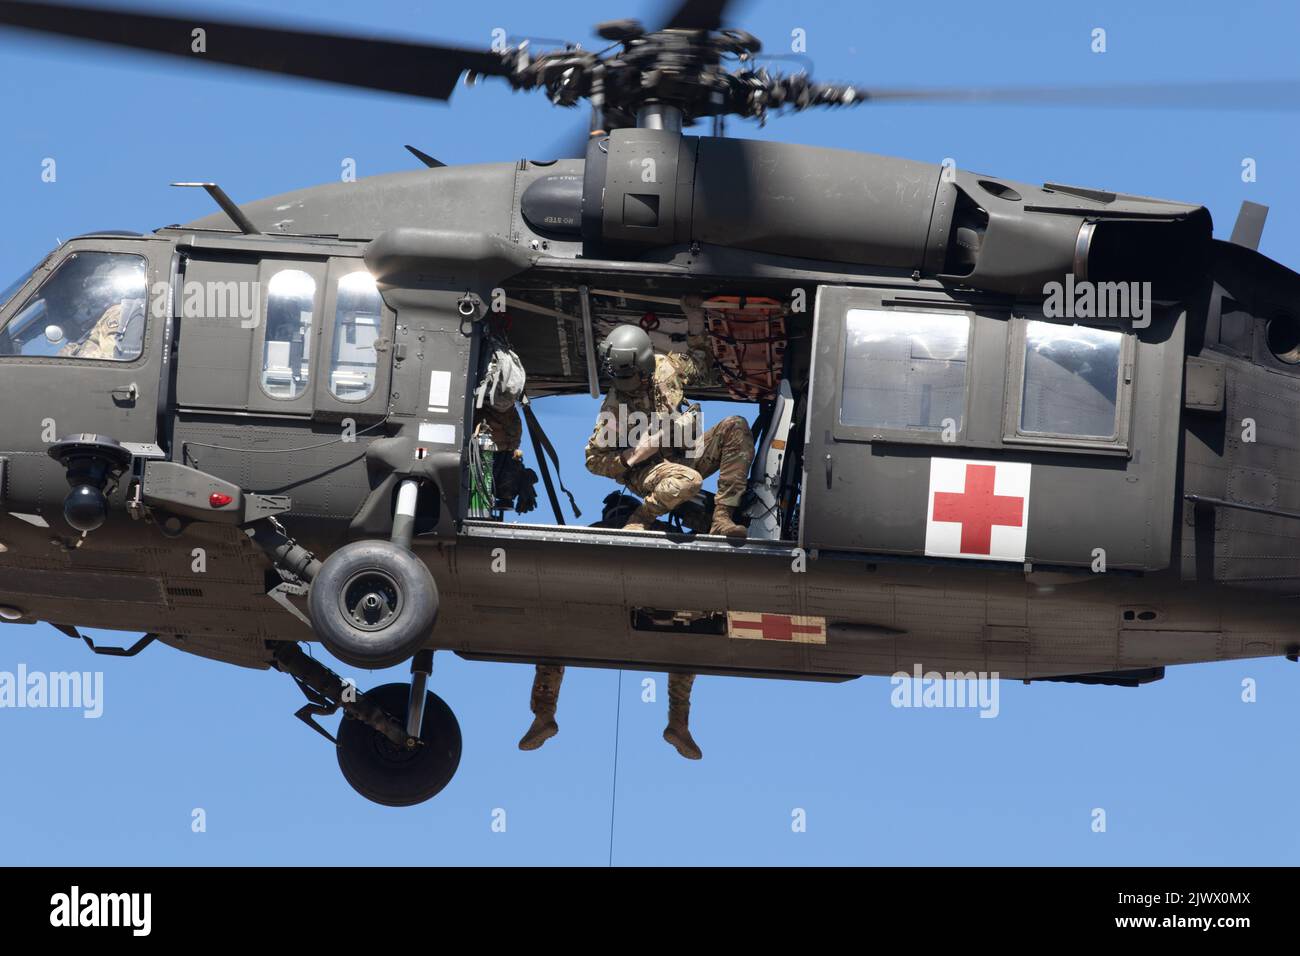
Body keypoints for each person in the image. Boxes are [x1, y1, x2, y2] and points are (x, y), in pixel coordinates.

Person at [518, 298, 755, 759]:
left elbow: (704, 362)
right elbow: (592, 460)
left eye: (631, 378)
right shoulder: (614, 408)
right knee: (682, 483)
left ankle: (723, 516)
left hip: (685, 457)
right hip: (650, 474)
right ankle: (543, 712)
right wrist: (637, 454)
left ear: (646, 368)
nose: (626, 387)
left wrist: (697, 316)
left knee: (735, 427)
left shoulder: (668, 370)